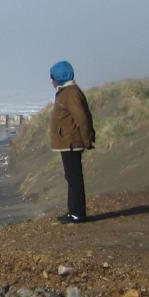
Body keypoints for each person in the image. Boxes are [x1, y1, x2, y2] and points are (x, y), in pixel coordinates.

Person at [48, 60, 95, 223]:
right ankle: (73, 211)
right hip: (68, 142)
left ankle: (78, 214)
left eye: (52, 77)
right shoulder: (66, 92)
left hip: (71, 143)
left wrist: (87, 139)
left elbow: (82, 118)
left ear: (59, 77)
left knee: (74, 179)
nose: (51, 81)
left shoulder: (70, 93)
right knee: (71, 178)